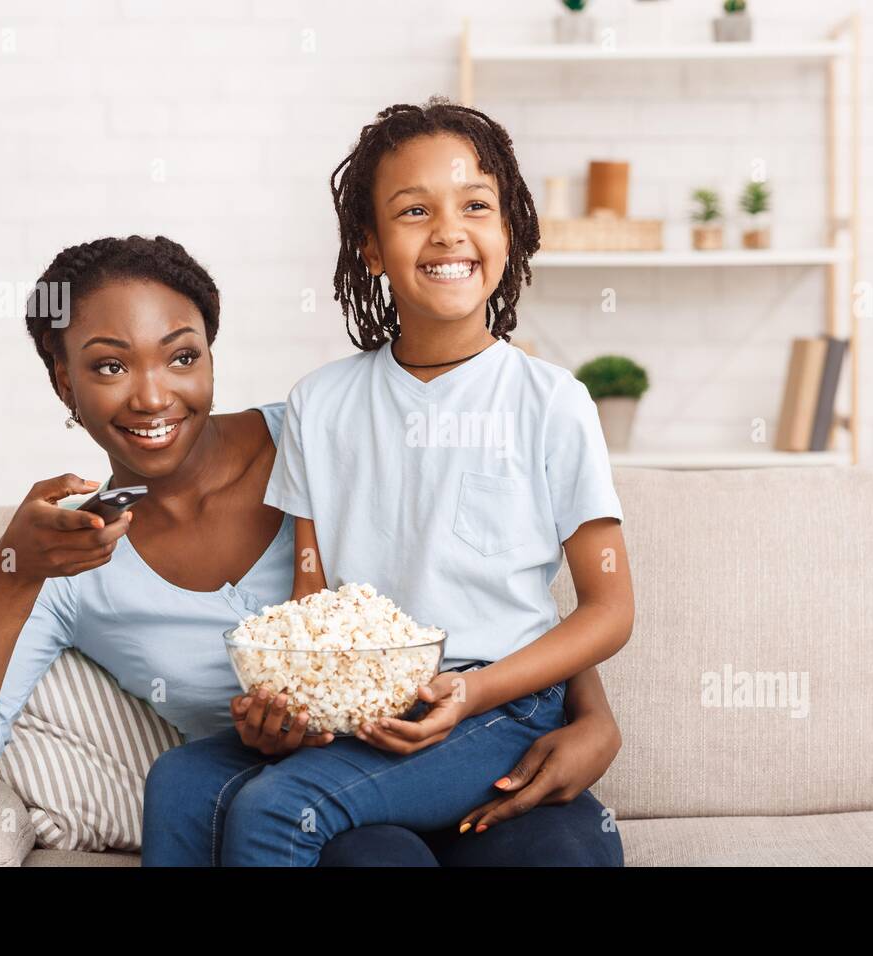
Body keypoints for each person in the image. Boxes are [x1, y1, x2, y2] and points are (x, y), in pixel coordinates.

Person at [0, 233, 625, 866]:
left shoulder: (320, 431)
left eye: (181, 357)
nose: (152, 397)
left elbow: (487, 570)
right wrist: (8, 573)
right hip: (320, 802)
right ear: (64, 383)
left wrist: (589, 716)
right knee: (368, 854)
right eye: (110, 366)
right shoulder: (71, 555)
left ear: (209, 356)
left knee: (560, 847)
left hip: (466, 745)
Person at [143, 97, 635, 867]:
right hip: (365, 701)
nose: (448, 231)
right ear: (371, 248)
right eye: (414, 211)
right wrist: (295, 701)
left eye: (476, 205)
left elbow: (609, 612)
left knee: (279, 811)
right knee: (179, 779)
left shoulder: (551, 403)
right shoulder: (321, 403)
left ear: (508, 232)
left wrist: (473, 694)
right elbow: (313, 598)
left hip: (495, 703)